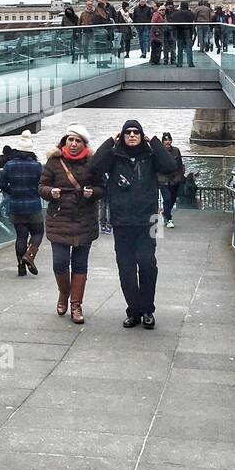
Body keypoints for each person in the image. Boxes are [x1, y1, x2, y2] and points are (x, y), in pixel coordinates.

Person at [88, 120, 176, 329]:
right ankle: (133, 311)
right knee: (126, 267)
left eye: (136, 132)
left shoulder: (151, 156)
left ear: (142, 134)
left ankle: (148, 310)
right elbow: (94, 166)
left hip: (150, 220)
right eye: (127, 132)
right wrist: (110, 141)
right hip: (122, 221)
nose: (132, 135)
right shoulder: (114, 156)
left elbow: (170, 166)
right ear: (122, 135)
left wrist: (154, 141)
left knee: (148, 264)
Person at [38, 124, 103, 324]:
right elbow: (41, 186)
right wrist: (50, 192)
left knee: (80, 264)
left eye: (78, 141)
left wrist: (93, 192)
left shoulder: (93, 162)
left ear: (84, 144)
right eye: (70, 140)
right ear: (65, 141)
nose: (74, 144)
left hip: (85, 220)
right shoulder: (54, 161)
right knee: (59, 263)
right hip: (59, 220)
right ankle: (64, 293)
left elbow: (103, 187)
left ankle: (76, 305)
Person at [0, 130, 44, 277]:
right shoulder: (37, 166)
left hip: (16, 206)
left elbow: (1, 184)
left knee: (21, 236)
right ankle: (29, 255)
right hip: (33, 205)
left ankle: (21, 266)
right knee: (38, 232)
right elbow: (43, 183)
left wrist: (12, 192)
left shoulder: (9, 165)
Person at [156, 132, 186, 228]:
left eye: (169, 140)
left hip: (175, 180)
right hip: (163, 180)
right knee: (167, 198)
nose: (167, 142)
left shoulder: (176, 151)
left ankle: (166, 213)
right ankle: (169, 219)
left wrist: (181, 177)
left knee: (172, 199)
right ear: (162, 142)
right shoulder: (158, 152)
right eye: (165, 140)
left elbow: (180, 166)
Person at [169, 1, 196, 67]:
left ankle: (179, 63)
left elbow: (171, 19)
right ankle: (190, 63)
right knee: (189, 48)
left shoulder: (177, 13)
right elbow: (194, 19)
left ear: (181, 6)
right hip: (188, 31)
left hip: (179, 31)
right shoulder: (191, 13)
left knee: (180, 47)